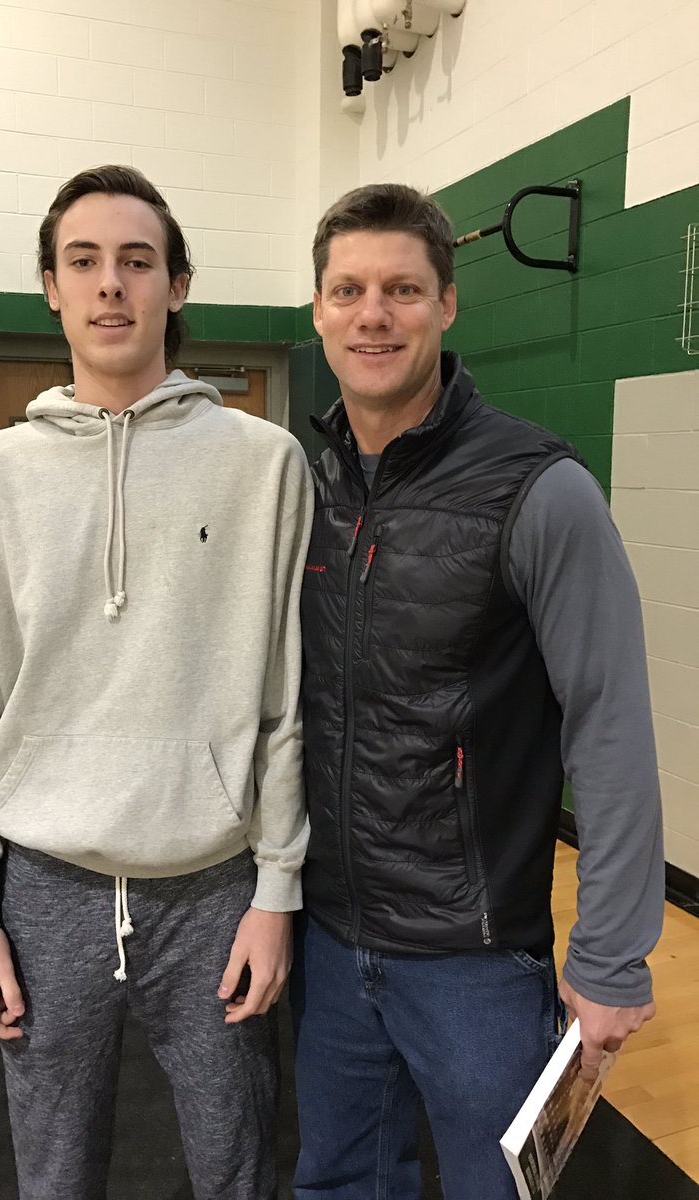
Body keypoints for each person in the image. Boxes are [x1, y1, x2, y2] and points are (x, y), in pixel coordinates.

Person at [0, 164, 312, 1200]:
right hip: (45, 887)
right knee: (54, 1175)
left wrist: (277, 888)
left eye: (137, 261)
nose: (110, 284)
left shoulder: (264, 464)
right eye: (83, 261)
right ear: (50, 286)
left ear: (177, 286)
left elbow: (285, 694)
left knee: (238, 1168)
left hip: (217, 887)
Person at [292, 182, 665, 1200]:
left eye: (403, 289)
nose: (374, 315)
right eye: (349, 290)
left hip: (476, 962)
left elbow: (611, 725)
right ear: (318, 310)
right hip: (329, 939)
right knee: (336, 1184)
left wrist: (613, 955)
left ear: (448, 304)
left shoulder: (539, 489)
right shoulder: (310, 489)